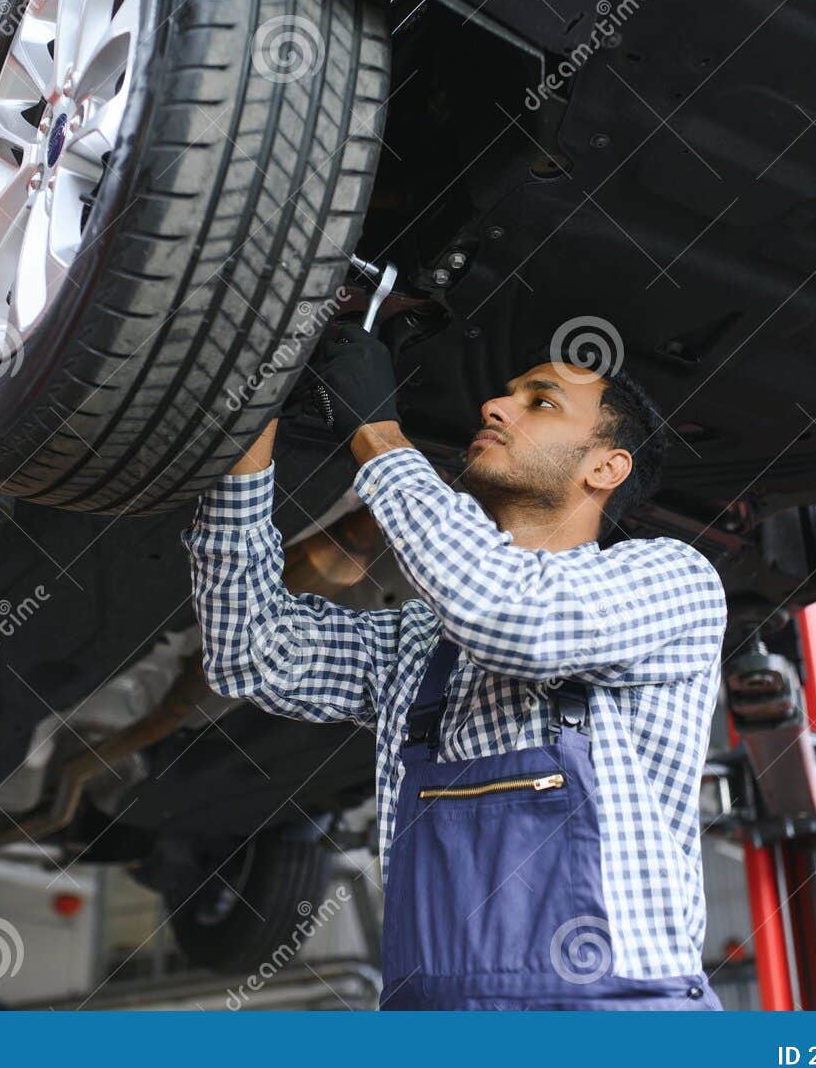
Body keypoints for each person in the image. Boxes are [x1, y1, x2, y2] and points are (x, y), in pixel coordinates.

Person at [183, 327, 726, 1009]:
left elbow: (515, 618)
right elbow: (250, 649)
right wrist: (251, 429)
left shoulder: (672, 582)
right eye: (505, 395)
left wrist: (381, 440)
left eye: (541, 403)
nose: (495, 407)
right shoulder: (419, 648)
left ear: (605, 468)